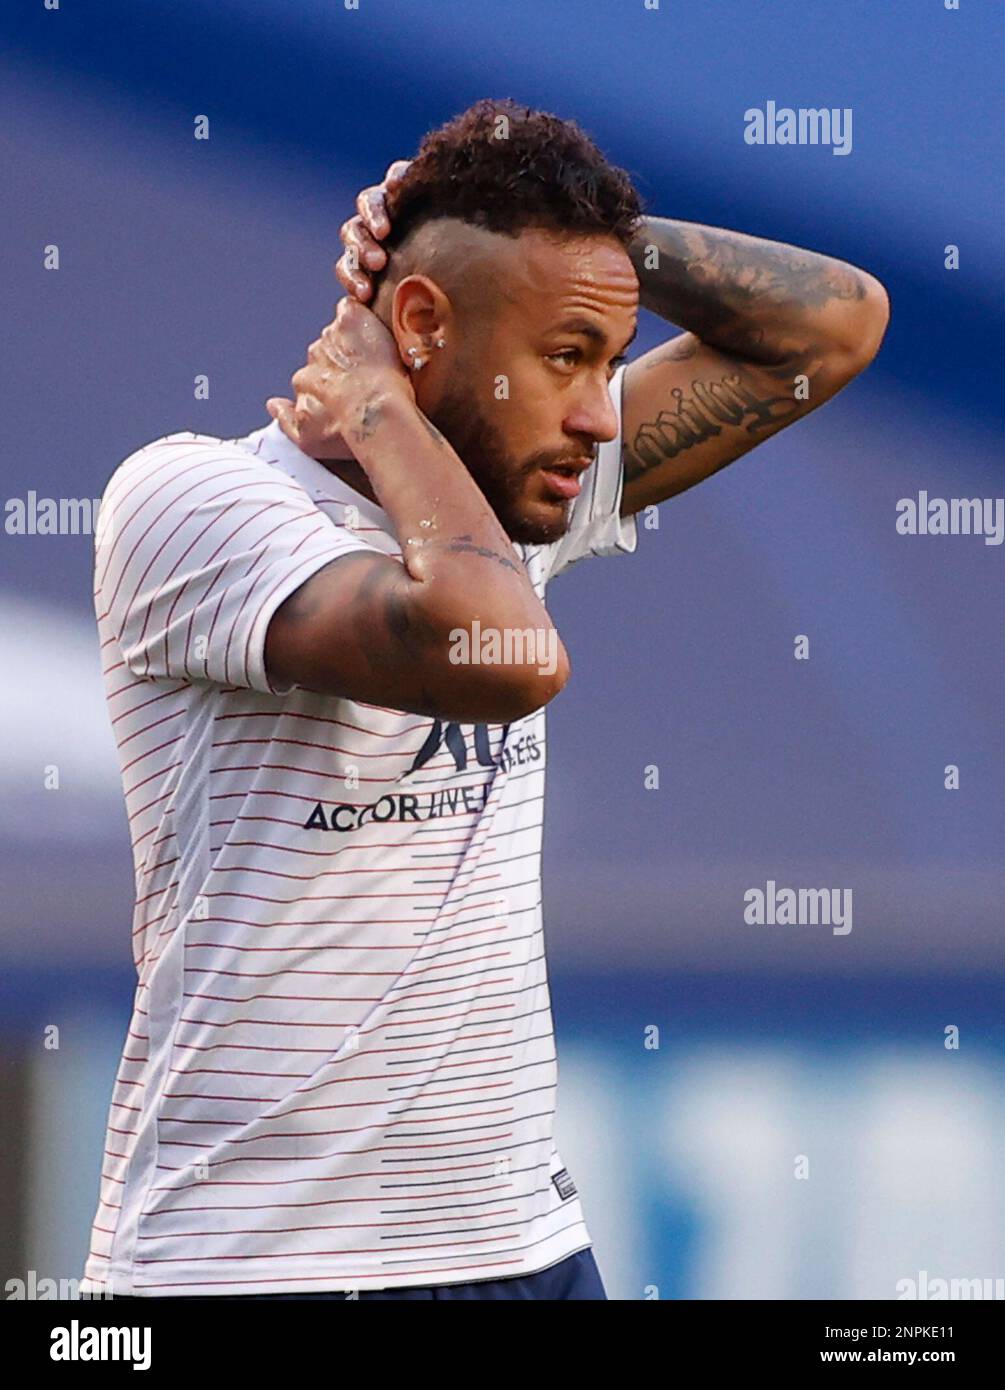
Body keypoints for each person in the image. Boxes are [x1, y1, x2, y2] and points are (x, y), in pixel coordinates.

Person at [84, 98, 888, 1301]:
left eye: (610, 363)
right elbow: (503, 650)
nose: (598, 415)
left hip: (523, 1252)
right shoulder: (188, 504)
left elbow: (831, 326)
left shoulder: (511, 498)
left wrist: (575, 236)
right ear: (417, 324)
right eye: (566, 356)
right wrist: (377, 406)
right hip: (248, 1266)